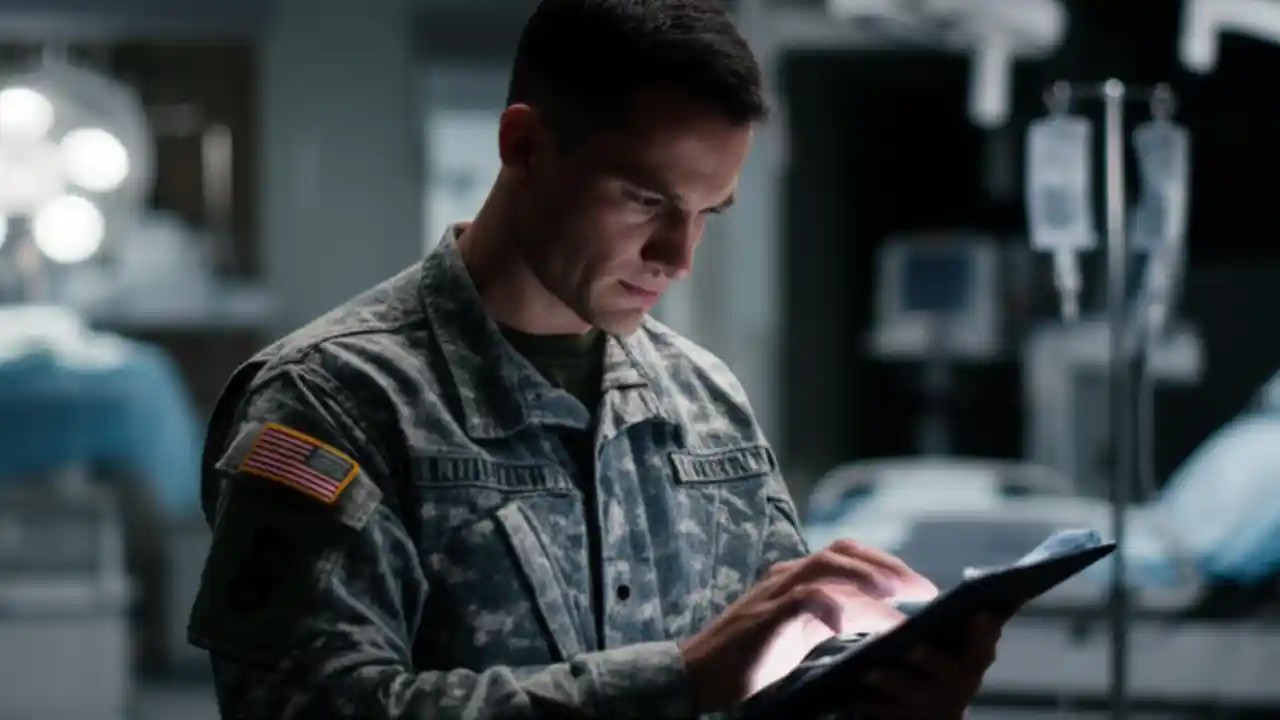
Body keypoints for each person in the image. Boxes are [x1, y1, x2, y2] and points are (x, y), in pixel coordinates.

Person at [188, 0, 1007, 717]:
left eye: (706, 212)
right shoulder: (332, 402)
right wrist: (676, 681)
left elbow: (777, 683)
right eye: (647, 200)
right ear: (524, 144)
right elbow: (310, 707)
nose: (677, 256)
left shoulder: (703, 402)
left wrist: (893, 700)